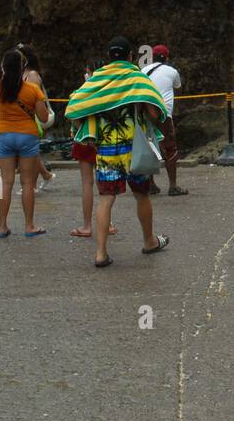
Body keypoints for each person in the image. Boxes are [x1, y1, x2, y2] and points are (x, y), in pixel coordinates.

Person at [65, 36, 170, 267]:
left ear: (108, 57)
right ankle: (149, 241)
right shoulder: (137, 79)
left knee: (106, 199)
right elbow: (155, 113)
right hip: (136, 149)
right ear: (130, 56)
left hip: (107, 150)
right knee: (141, 194)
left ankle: (101, 253)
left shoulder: (98, 80)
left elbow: (75, 107)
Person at [0, 49, 50, 239]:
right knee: (28, 182)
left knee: (5, 182)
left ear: (3, 68)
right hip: (27, 136)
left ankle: (2, 226)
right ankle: (29, 226)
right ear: (23, 67)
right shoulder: (32, 90)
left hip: (4, 136)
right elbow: (44, 117)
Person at [69, 59, 116, 239]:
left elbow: (74, 118)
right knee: (104, 184)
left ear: (88, 72)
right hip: (104, 140)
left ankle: (87, 226)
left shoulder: (81, 92)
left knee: (86, 183)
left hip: (84, 141)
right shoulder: (109, 92)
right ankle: (108, 224)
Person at [142, 44, 187, 196]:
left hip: (147, 114)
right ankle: (173, 186)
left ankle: (151, 184)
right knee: (170, 149)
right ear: (167, 58)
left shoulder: (143, 71)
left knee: (149, 148)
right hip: (164, 115)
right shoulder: (172, 71)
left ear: (152, 57)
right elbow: (177, 87)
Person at [17, 44, 55, 192]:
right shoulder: (18, 74)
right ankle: (45, 175)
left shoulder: (32, 75)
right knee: (30, 152)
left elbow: (34, 98)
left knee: (29, 153)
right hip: (21, 118)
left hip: (31, 117)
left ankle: (33, 184)